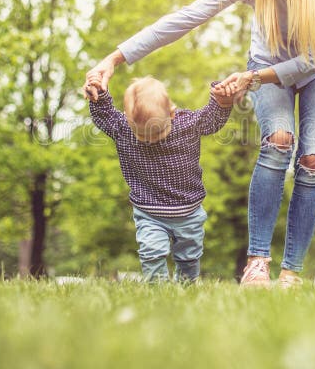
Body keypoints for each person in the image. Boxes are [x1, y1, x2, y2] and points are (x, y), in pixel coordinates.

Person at [83, 0, 315, 288]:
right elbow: (187, 17)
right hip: (263, 64)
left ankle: (291, 271)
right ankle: (257, 262)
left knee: (311, 160)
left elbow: (314, 58)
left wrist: (253, 79)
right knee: (278, 141)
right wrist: (115, 58)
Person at [87, 74, 233, 282]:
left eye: (156, 133)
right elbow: (105, 115)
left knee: (189, 258)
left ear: (172, 114)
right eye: (143, 135)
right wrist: (98, 94)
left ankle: (188, 290)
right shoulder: (123, 128)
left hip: (189, 211)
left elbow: (212, 119)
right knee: (152, 254)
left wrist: (222, 99)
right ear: (128, 120)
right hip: (149, 213)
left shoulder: (187, 124)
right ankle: (158, 294)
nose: (149, 140)